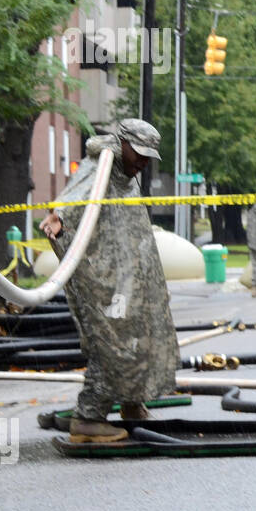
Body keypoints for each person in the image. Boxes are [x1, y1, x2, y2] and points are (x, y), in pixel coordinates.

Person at [39, 120, 179, 443]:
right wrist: (58, 217)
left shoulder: (125, 175)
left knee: (141, 334)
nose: (143, 162)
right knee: (111, 342)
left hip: (131, 278)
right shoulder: (100, 166)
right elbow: (71, 198)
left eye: (148, 157)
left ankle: (132, 401)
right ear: (122, 144)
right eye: (139, 154)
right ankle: (89, 418)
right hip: (104, 281)